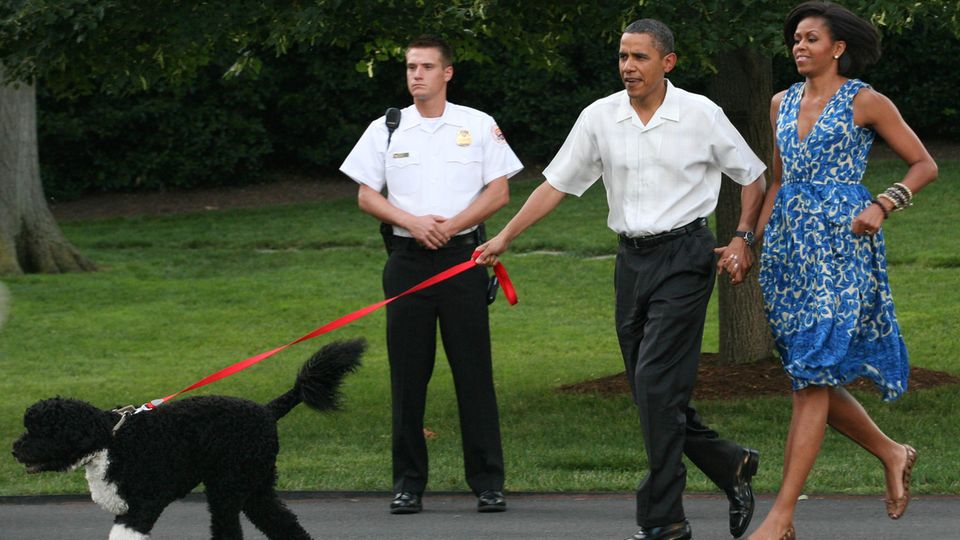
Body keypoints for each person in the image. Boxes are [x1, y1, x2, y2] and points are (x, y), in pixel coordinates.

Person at [476, 19, 766, 540]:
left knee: (655, 383)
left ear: (667, 63)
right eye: (623, 57)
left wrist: (744, 237)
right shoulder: (600, 117)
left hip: (685, 256)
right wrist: (505, 237)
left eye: (640, 57)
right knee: (649, 390)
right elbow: (556, 185)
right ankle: (729, 463)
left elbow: (753, 177)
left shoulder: (701, 114)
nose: (628, 67)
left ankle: (664, 519)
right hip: (630, 263)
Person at [746, 3, 939, 540]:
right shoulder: (780, 102)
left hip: (842, 247)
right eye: (795, 40)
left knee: (812, 378)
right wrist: (747, 242)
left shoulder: (866, 100)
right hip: (789, 253)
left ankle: (781, 516)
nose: (799, 46)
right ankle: (892, 451)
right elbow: (779, 181)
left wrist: (883, 204)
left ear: (837, 48)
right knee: (812, 375)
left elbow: (924, 164)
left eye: (811, 38)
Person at [339, 35, 523, 515]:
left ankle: (487, 482)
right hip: (406, 262)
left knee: (473, 373)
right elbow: (365, 195)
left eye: (425, 66)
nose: (415, 74)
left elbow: (499, 192)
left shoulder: (478, 125)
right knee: (408, 375)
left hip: (463, 260)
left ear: (447, 73)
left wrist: (453, 226)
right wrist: (413, 222)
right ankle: (407, 484)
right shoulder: (386, 127)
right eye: (409, 67)